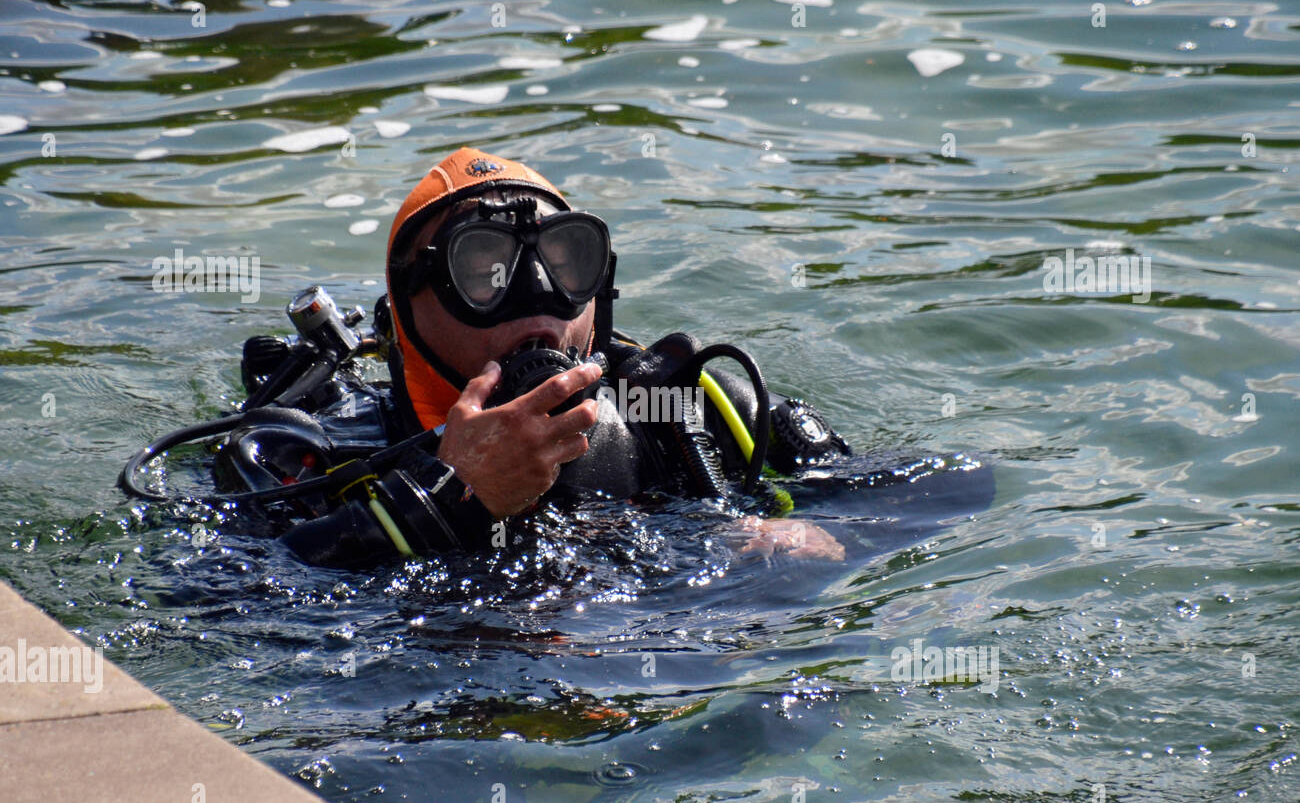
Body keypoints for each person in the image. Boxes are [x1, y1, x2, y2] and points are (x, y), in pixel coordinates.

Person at [197, 147, 972, 568]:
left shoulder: (676, 411)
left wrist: (824, 539)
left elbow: (950, 491)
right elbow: (212, 615)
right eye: (484, 270)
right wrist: (451, 498)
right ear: (407, 313)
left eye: (566, 261)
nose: (537, 298)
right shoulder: (318, 455)